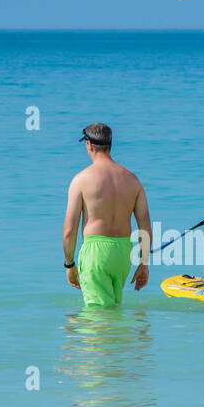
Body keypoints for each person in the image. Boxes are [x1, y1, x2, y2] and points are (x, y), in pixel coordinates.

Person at [63, 123, 151, 307]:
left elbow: (69, 231)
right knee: (113, 309)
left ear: (89, 144)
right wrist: (143, 264)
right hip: (123, 253)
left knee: (98, 314)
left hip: (96, 253)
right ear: (110, 144)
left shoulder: (81, 180)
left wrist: (69, 265)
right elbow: (145, 227)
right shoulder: (133, 180)